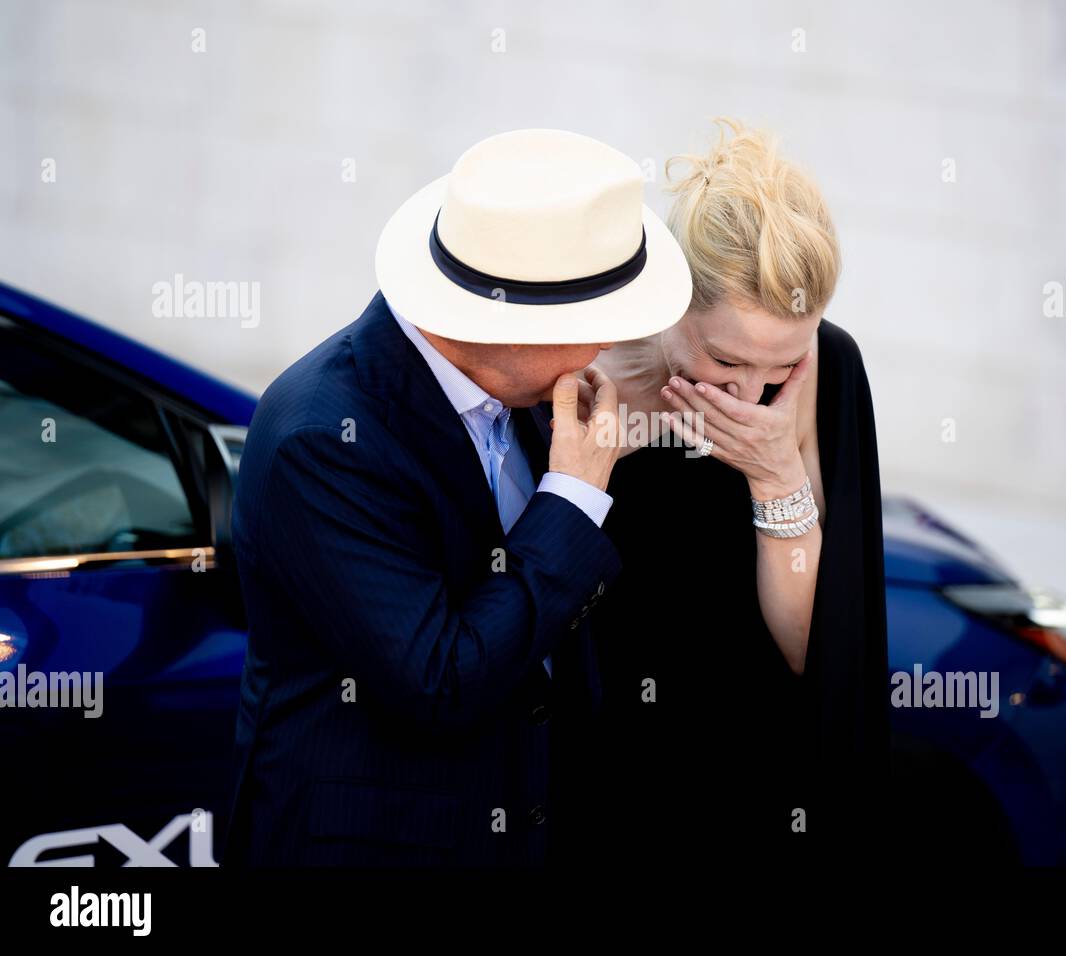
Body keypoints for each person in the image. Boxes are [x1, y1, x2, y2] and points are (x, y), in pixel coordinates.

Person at [219, 129, 692, 866]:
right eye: (591, 328)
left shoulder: (535, 389)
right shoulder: (320, 438)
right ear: (506, 324)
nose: (600, 352)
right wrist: (571, 494)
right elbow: (440, 682)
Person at [582, 118, 890, 866]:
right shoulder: (586, 361)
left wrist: (776, 477)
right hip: (593, 767)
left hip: (751, 782)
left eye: (779, 365)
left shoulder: (831, 374)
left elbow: (815, 655)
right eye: (725, 357)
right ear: (669, 300)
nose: (750, 391)